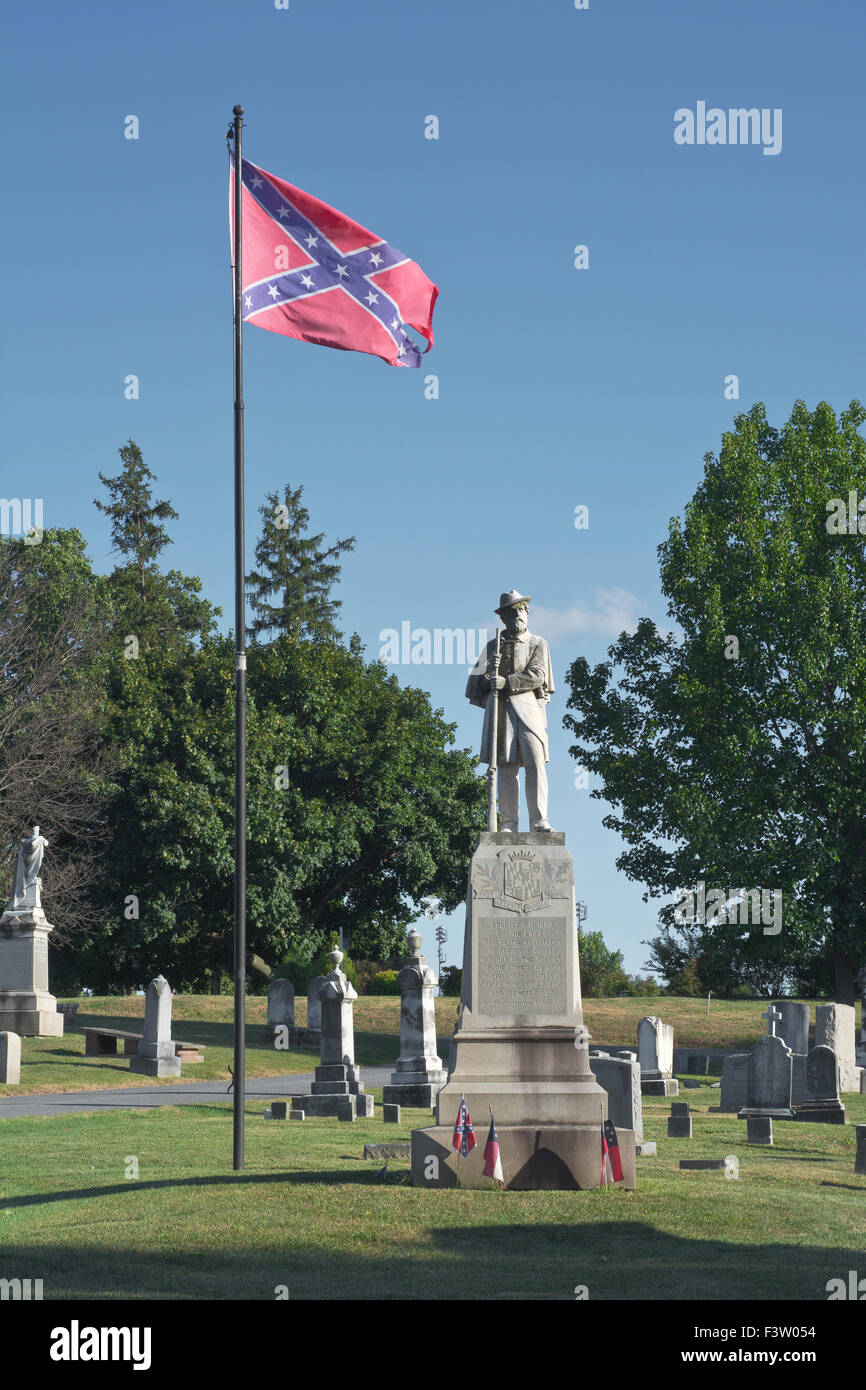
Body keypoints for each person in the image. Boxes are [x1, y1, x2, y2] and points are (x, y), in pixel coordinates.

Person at [465, 590, 555, 832]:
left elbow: (538, 675)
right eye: (511, 613)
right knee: (505, 766)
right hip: (501, 711)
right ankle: (508, 822)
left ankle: (539, 820)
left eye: (521, 611)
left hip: (529, 711)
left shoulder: (538, 643)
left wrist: (508, 682)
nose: (517, 616)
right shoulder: (493, 646)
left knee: (536, 762)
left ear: (527, 613)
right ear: (503, 618)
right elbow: (475, 684)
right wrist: (488, 674)